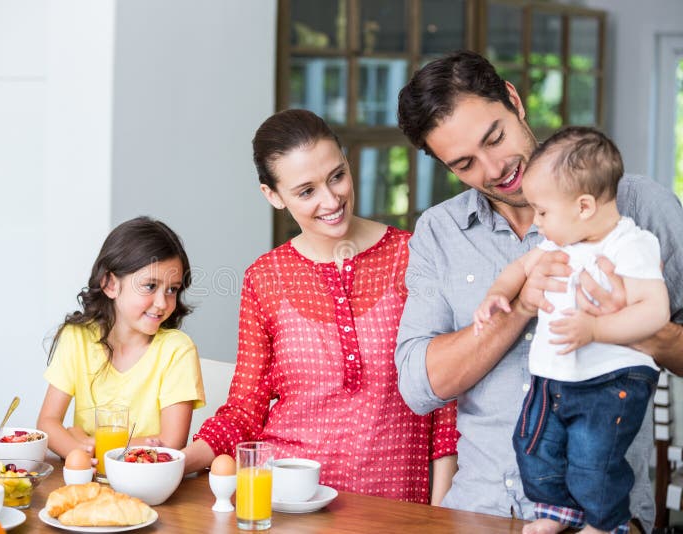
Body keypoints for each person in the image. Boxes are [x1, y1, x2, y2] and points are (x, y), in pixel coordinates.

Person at [395, 50, 683, 532]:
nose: (494, 168)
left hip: (606, 517)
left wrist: (631, 329)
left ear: (514, 99)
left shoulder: (638, 205)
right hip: (478, 511)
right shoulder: (439, 232)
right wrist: (522, 304)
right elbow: (420, 387)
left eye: (496, 137)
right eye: (465, 163)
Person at [181, 109, 459, 504]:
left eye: (337, 176)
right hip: (285, 505)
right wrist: (178, 462)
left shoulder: (413, 255)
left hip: (395, 508)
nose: (331, 200)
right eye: (306, 191)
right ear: (273, 196)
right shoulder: (264, 277)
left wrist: (441, 514)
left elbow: (444, 398)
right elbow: (245, 410)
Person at [472, 127, 668, 534]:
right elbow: (519, 269)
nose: (537, 224)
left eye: (542, 212)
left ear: (583, 206)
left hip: (611, 379)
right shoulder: (561, 242)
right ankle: (559, 513)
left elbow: (655, 311)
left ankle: (604, 522)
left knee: (594, 459)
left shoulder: (631, 245)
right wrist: (497, 294)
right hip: (554, 376)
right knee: (534, 448)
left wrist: (596, 328)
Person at [37, 216, 205, 462]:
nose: (162, 303)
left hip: (146, 483)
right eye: (150, 286)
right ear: (110, 284)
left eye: (172, 289)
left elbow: (171, 443)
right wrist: (81, 456)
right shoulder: (77, 339)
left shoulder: (177, 350)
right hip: (88, 476)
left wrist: (90, 443)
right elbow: (48, 423)